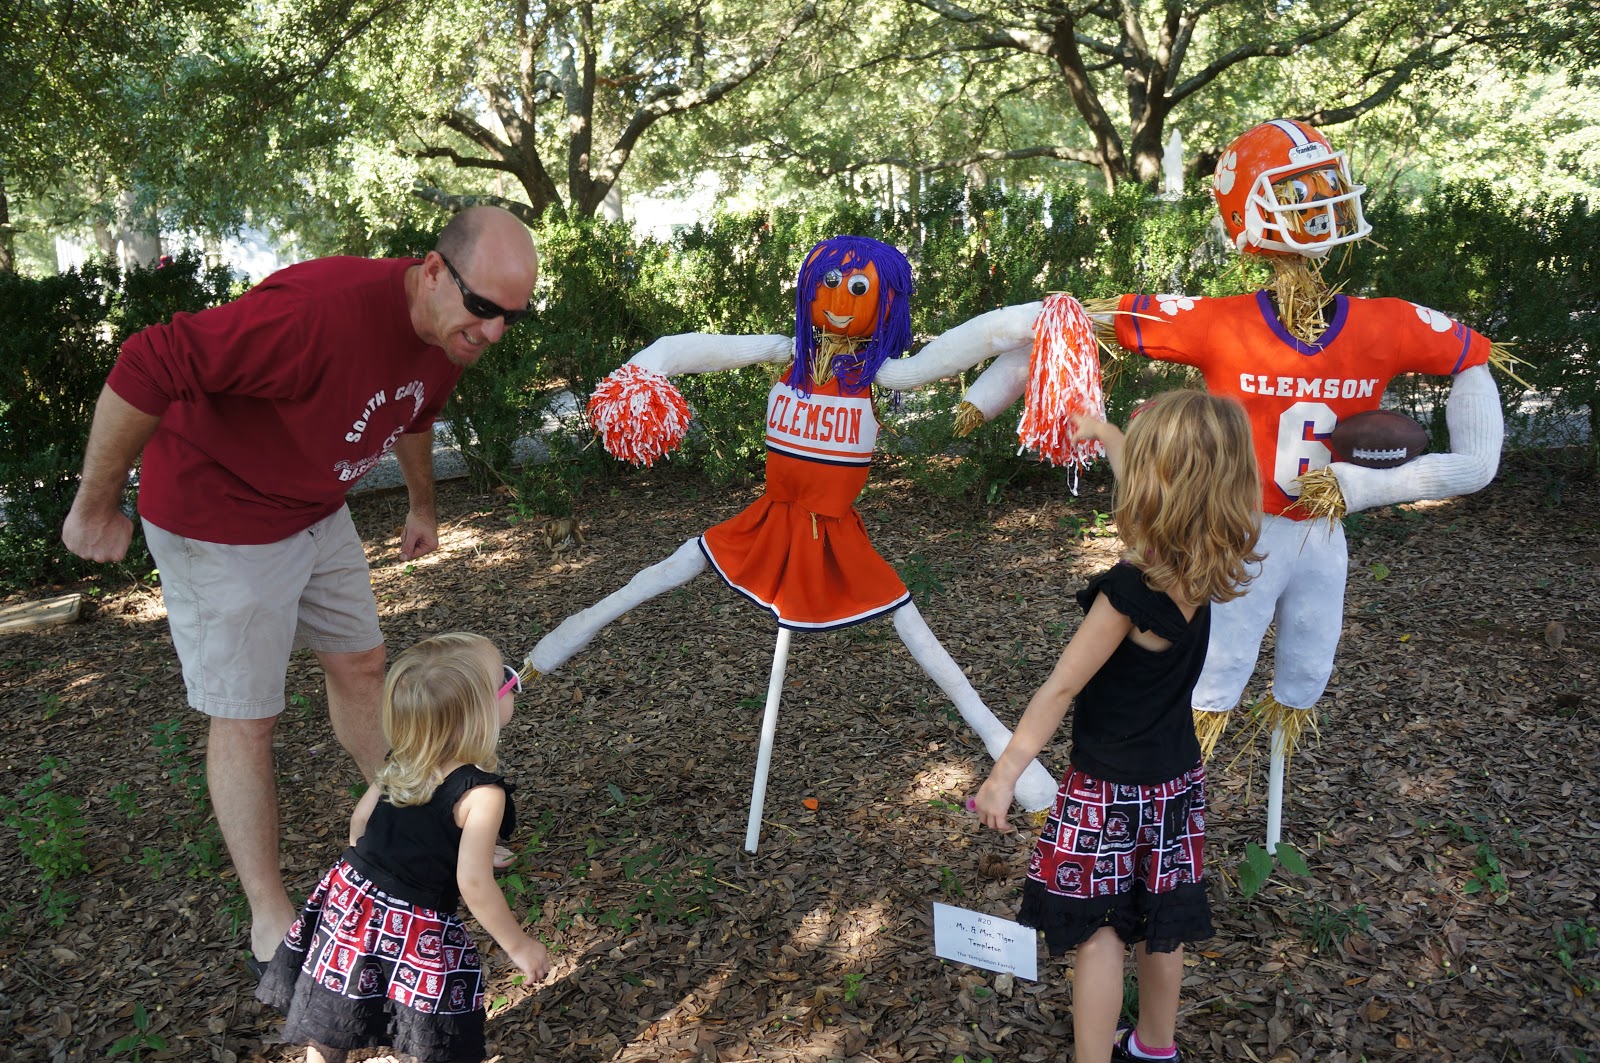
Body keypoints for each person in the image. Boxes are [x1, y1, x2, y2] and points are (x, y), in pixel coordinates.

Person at [58, 206, 540, 970]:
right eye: (484, 308)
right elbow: (149, 360)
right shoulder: (320, 314)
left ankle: (410, 821)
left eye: (513, 316)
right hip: (219, 514)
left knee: (363, 664)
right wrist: (93, 506)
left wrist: (421, 504)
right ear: (435, 271)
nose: (494, 332)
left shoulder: (448, 334)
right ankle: (269, 913)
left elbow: (413, 408)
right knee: (248, 715)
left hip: (314, 509)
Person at [973, 391, 1263, 1063]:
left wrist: (1002, 775)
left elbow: (1062, 686)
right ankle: (1156, 1045)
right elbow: (1157, 467)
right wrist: (1103, 430)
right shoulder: (1203, 568)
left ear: (1160, 487)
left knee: (1099, 929)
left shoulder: (1128, 592)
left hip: (1105, 790)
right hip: (1176, 785)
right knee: (1162, 924)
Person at [256, 632, 550, 1063]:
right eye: (506, 679)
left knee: (341, 1000)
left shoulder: (402, 757)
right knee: (425, 1016)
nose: (514, 683)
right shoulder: (483, 795)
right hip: (416, 921)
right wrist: (519, 945)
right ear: (484, 711)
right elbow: (473, 882)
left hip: (349, 898)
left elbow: (359, 822)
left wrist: (368, 888)